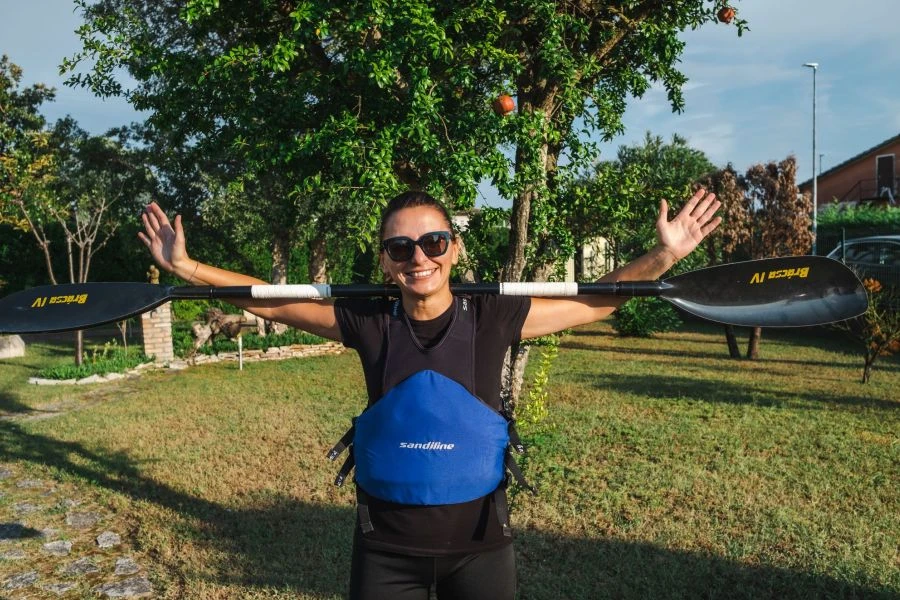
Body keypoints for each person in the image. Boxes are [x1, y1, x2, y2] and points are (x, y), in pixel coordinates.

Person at [139, 188, 721, 600]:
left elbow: (597, 299)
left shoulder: (494, 316)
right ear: (386, 262)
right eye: (400, 249)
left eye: (433, 242)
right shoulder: (367, 322)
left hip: (481, 549)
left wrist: (664, 256)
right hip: (386, 553)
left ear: (454, 249)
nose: (419, 257)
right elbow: (268, 297)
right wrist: (187, 268)